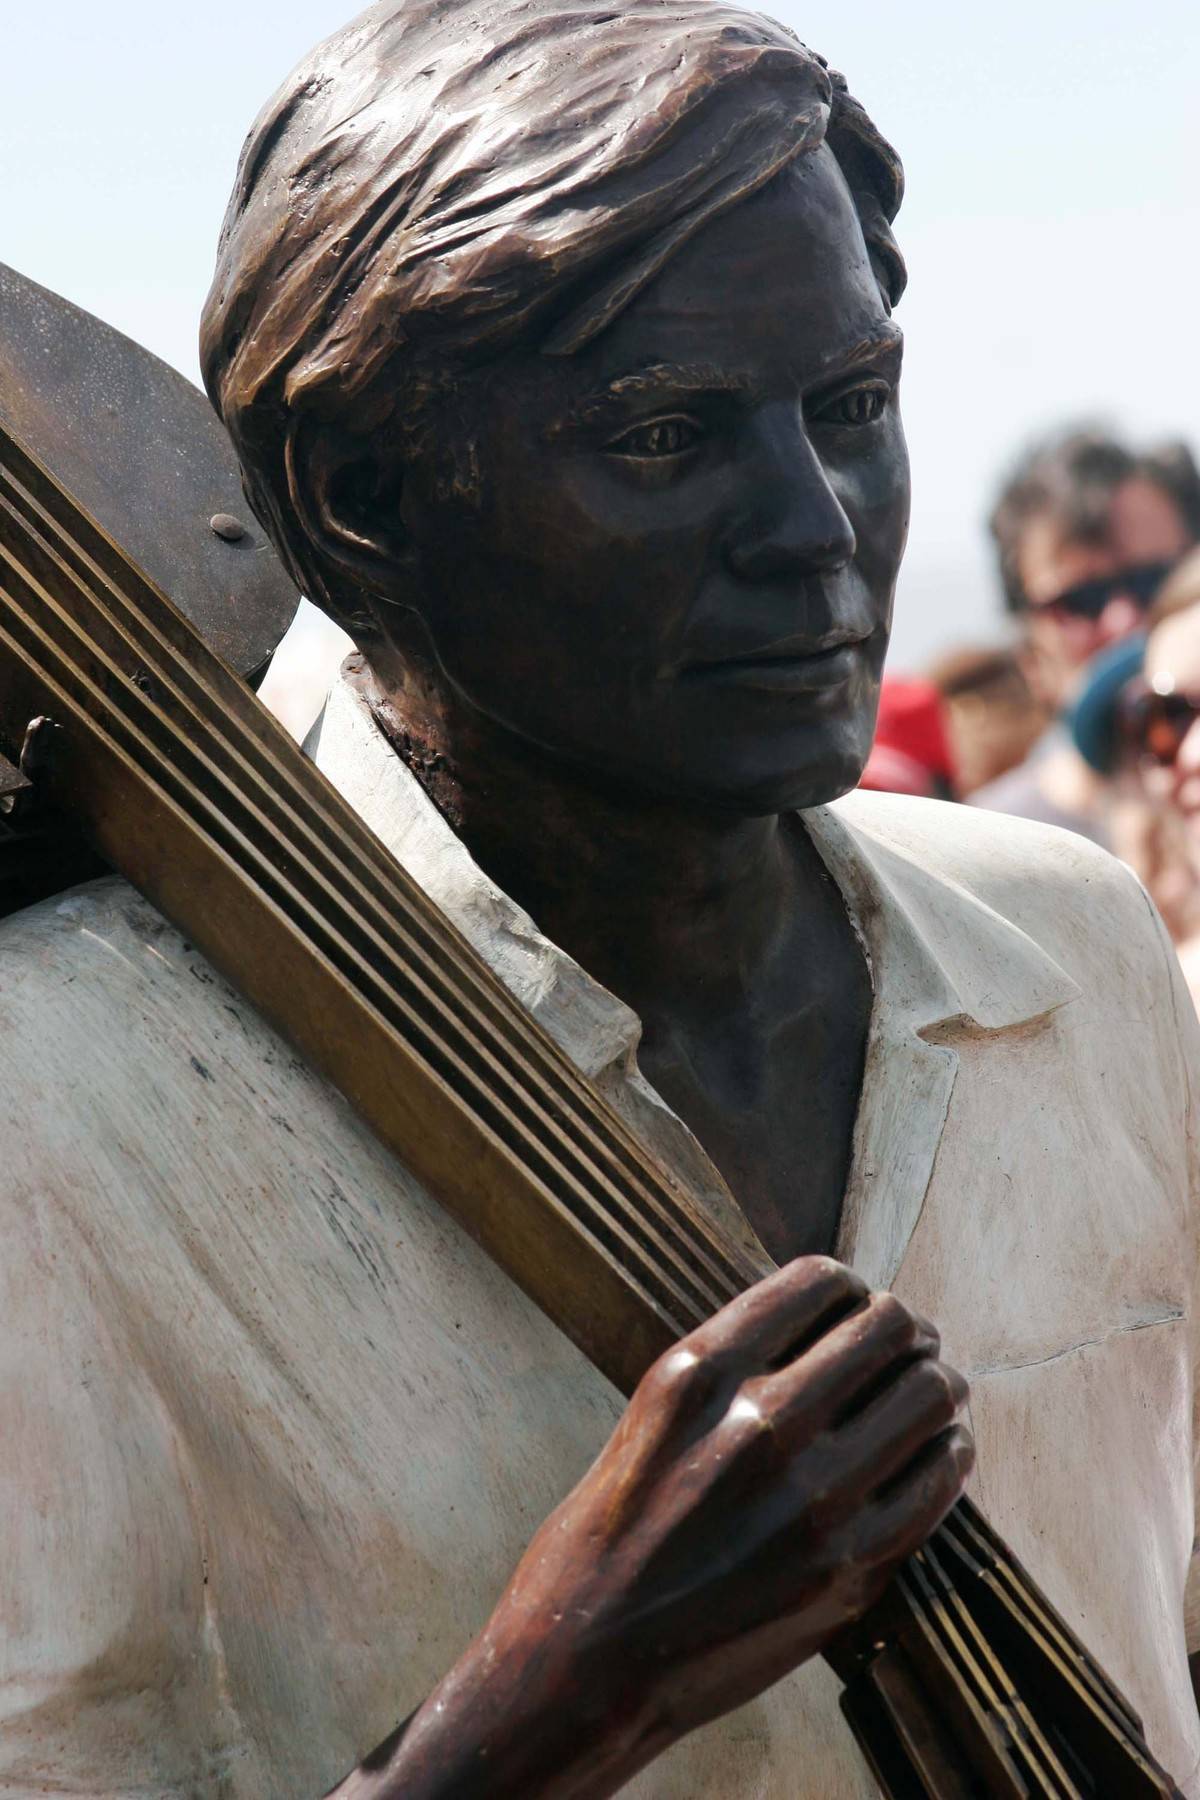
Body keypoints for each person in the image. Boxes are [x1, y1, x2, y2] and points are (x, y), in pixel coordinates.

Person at [2, 5, 1199, 1795]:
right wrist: (570, 1688)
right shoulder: (50, 1106)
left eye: (854, 405)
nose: (815, 526)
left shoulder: (1074, 949)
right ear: (360, 499)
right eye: (662, 440)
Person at [974, 426, 1200, 841]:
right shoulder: (984, 849)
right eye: (1083, 602)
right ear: (1030, 657)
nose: (1124, 619)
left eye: (1154, 581)